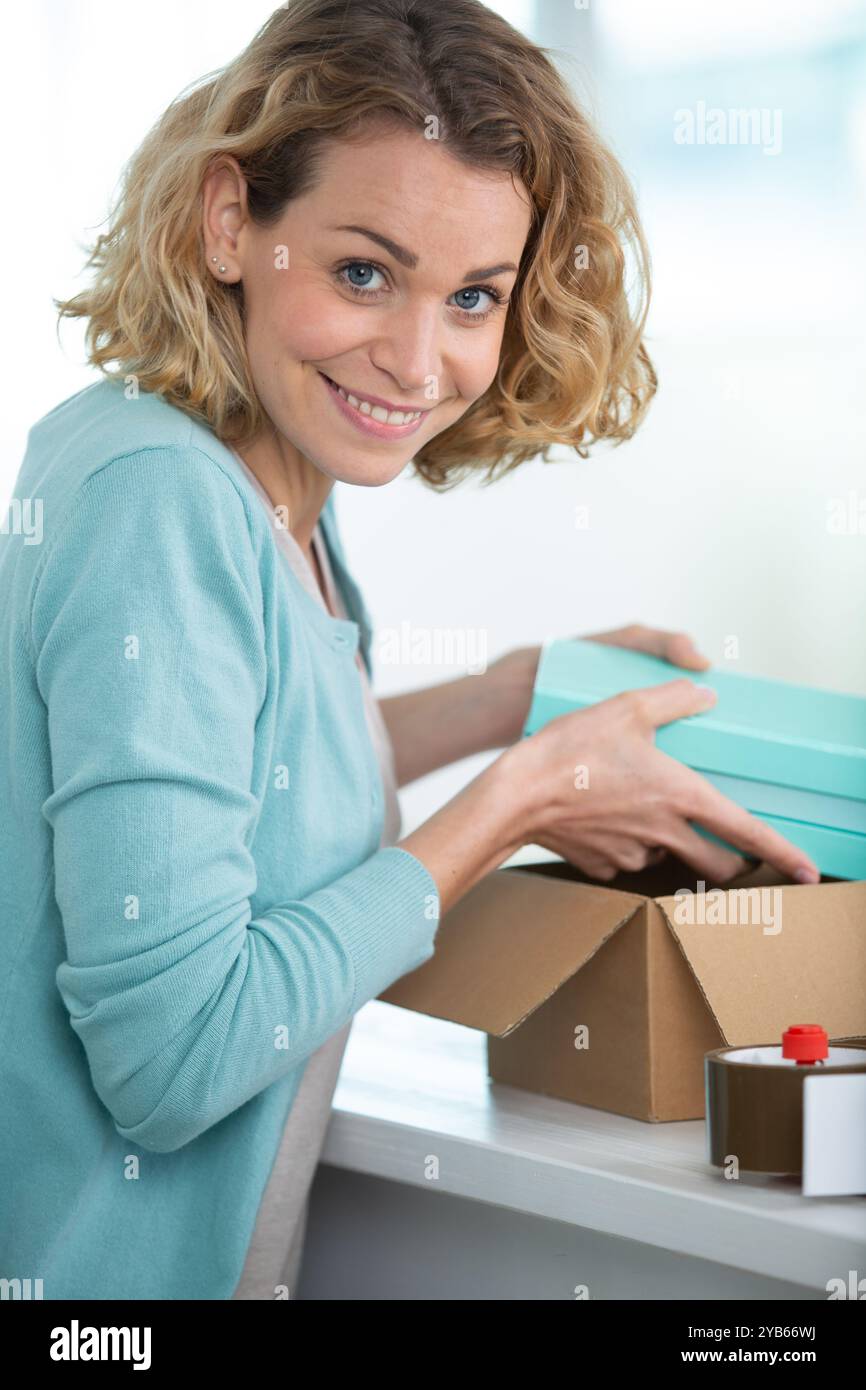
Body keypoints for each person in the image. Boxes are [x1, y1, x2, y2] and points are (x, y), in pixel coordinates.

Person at [0, 0, 819, 1302]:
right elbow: (172, 1065)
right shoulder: (158, 498)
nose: (417, 359)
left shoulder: (237, 478)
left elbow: (244, 776)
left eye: (474, 296)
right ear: (231, 223)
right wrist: (520, 800)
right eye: (362, 272)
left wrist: (513, 697)